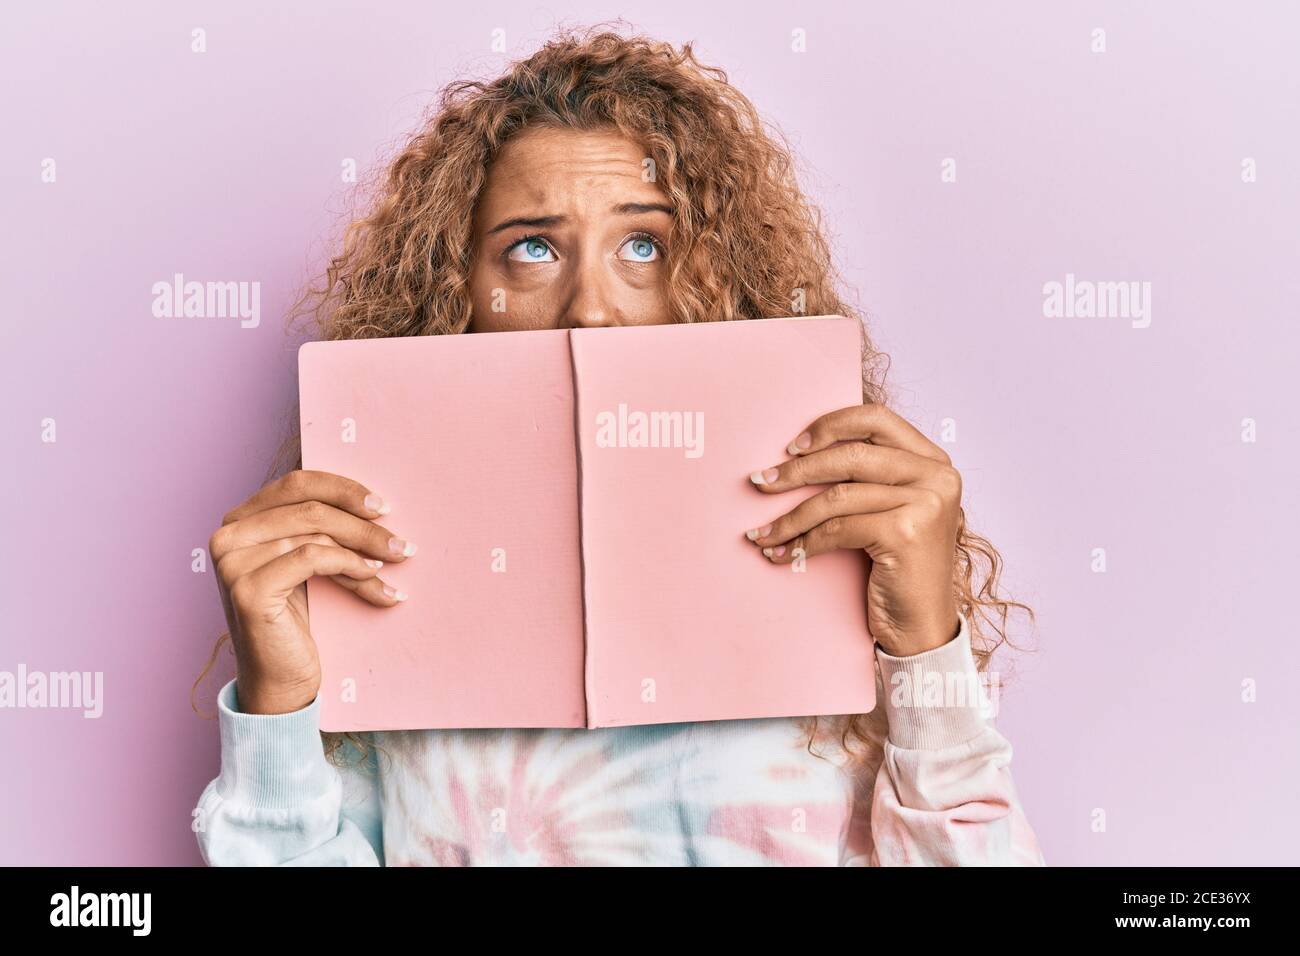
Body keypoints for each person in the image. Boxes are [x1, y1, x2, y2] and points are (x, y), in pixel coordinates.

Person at [191, 28, 1045, 866]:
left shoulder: (843, 561)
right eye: (531, 248)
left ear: (720, 283)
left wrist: (924, 646)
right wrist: (279, 708)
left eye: (644, 244)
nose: (590, 309)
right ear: (455, 294)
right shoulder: (371, 596)